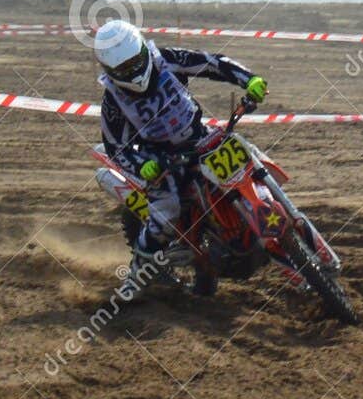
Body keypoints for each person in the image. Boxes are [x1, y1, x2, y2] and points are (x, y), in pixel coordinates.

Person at [93, 20, 267, 263]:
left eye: (135, 62)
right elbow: (115, 147)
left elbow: (212, 63)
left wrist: (249, 79)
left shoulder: (166, 59)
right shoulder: (113, 100)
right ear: (110, 70)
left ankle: (262, 213)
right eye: (124, 69)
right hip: (160, 157)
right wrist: (142, 166)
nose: (133, 72)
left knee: (251, 156)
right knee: (167, 209)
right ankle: (139, 274)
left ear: (143, 50)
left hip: (198, 135)